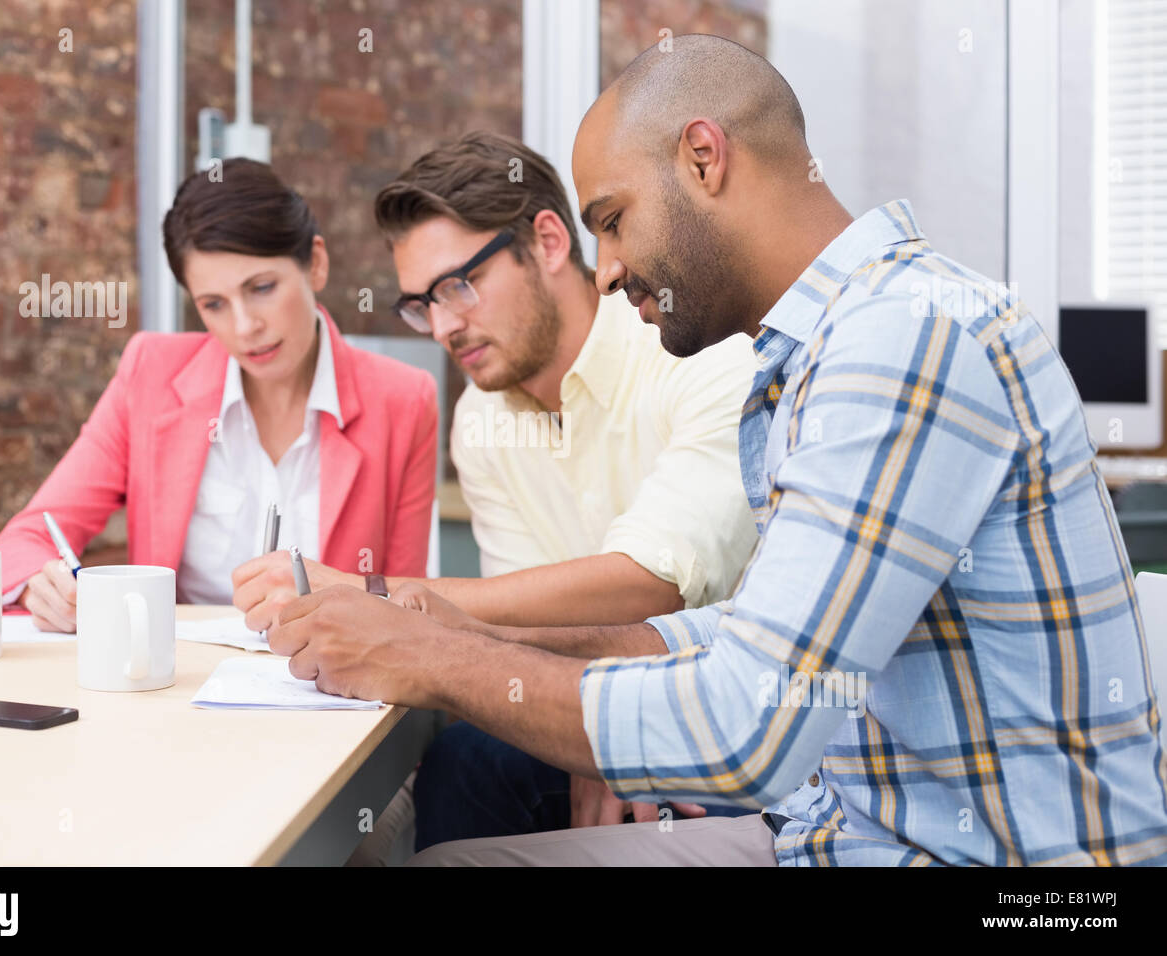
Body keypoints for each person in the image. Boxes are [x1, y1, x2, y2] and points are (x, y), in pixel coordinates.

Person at [259, 35, 1167, 867]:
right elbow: (743, 634)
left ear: (705, 157)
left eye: (612, 219)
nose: (604, 267)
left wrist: (426, 660)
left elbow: (746, 728)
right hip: (837, 834)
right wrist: (451, 623)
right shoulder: (825, 348)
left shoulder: (903, 338)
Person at [231, 132, 762, 856]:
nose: (445, 325)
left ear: (547, 241)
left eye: (459, 285)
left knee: (466, 765)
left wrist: (377, 592)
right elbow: (527, 624)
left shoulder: (690, 347)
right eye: (422, 304)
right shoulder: (481, 419)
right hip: (595, 700)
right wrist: (583, 731)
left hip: (731, 712)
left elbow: (656, 581)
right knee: (466, 759)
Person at [0, 158, 438, 631]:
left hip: (328, 688)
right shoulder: (151, 375)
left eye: (262, 288)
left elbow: (406, 600)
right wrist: (42, 586)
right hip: (174, 683)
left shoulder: (403, 400)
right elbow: (24, 539)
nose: (245, 327)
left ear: (317, 264)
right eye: (214, 305)